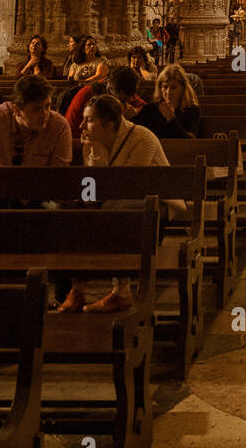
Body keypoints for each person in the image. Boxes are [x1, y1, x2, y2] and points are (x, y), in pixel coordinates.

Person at [55, 93, 180, 314]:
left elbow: (128, 185)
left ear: (110, 124)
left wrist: (98, 164)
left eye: (89, 120)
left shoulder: (143, 138)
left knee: (117, 213)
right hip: (114, 203)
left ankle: (121, 291)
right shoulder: (92, 140)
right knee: (72, 214)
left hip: (153, 208)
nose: (82, 125)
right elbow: (94, 186)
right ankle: (76, 289)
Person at [0, 74, 72, 167]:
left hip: (40, 187)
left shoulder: (59, 126)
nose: (45, 114)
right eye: (36, 109)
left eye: (47, 106)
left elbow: (58, 174)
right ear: (17, 110)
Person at [134, 62, 201, 138]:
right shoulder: (151, 108)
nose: (168, 92)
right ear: (160, 88)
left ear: (182, 89)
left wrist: (171, 119)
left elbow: (189, 142)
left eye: (173, 87)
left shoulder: (192, 110)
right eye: (165, 87)